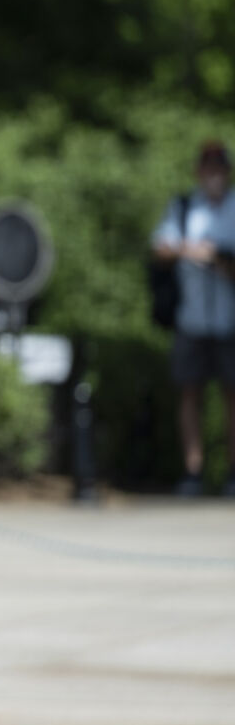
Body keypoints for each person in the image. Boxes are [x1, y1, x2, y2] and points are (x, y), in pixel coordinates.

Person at [150, 139, 235, 497]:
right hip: (191, 318)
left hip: (231, 321)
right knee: (190, 394)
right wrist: (189, 250)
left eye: (220, 169)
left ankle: (232, 473)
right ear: (199, 172)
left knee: (232, 397)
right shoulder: (184, 207)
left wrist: (218, 258)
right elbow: (160, 247)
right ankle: (193, 470)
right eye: (208, 169)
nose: (213, 176)